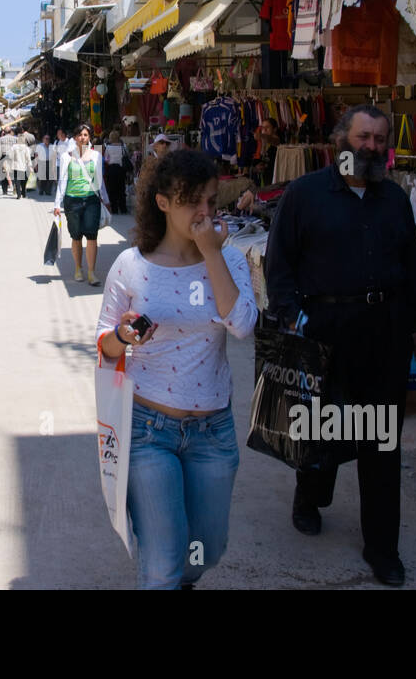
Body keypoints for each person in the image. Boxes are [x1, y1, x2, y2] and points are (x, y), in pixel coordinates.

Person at [263, 104, 416, 587]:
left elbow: (414, 269)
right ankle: (308, 496)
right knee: (323, 427)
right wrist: (291, 316)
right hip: (325, 328)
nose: (371, 147)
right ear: (341, 138)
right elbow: (280, 266)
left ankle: (383, 548)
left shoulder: (396, 199)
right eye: (364, 137)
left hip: (386, 329)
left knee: (382, 439)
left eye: (380, 139)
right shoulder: (304, 194)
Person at [96, 148, 257, 589]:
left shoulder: (231, 260)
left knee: (205, 550)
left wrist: (212, 255)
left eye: (210, 201)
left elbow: (241, 324)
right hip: (149, 431)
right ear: (163, 202)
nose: (204, 213)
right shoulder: (131, 266)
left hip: (212, 431)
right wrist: (123, 336)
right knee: (163, 561)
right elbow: (105, 345)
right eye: (191, 202)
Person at [53, 123, 109, 285]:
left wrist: (106, 199)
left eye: (85, 135)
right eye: (79, 135)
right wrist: (58, 204)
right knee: (76, 236)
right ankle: (78, 268)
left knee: (92, 236)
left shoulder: (96, 156)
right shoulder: (66, 156)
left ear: (89, 137)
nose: (82, 138)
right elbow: (62, 181)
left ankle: (92, 272)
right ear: (75, 138)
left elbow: (99, 180)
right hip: (72, 201)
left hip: (91, 200)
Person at [103, 130, 130, 215]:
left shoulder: (108, 147)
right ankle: (123, 208)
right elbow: (127, 155)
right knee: (121, 189)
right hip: (121, 169)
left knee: (112, 190)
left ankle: (114, 209)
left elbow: (106, 158)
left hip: (111, 169)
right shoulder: (123, 146)